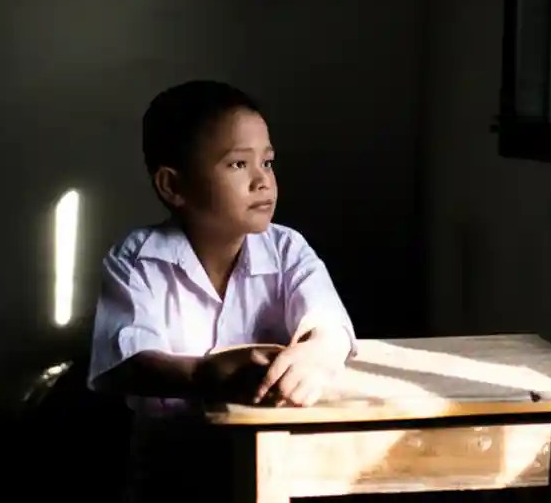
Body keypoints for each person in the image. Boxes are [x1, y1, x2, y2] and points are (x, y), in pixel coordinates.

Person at [87, 80, 356, 499]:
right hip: (169, 469)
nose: (262, 182)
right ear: (173, 186)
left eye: (267, 163)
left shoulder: (287, 249)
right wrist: (202, 374)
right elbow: (128, 361)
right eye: (237, 165)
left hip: (272, 458)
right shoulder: (136, 260)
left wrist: (320, 350)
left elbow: (329, 322)